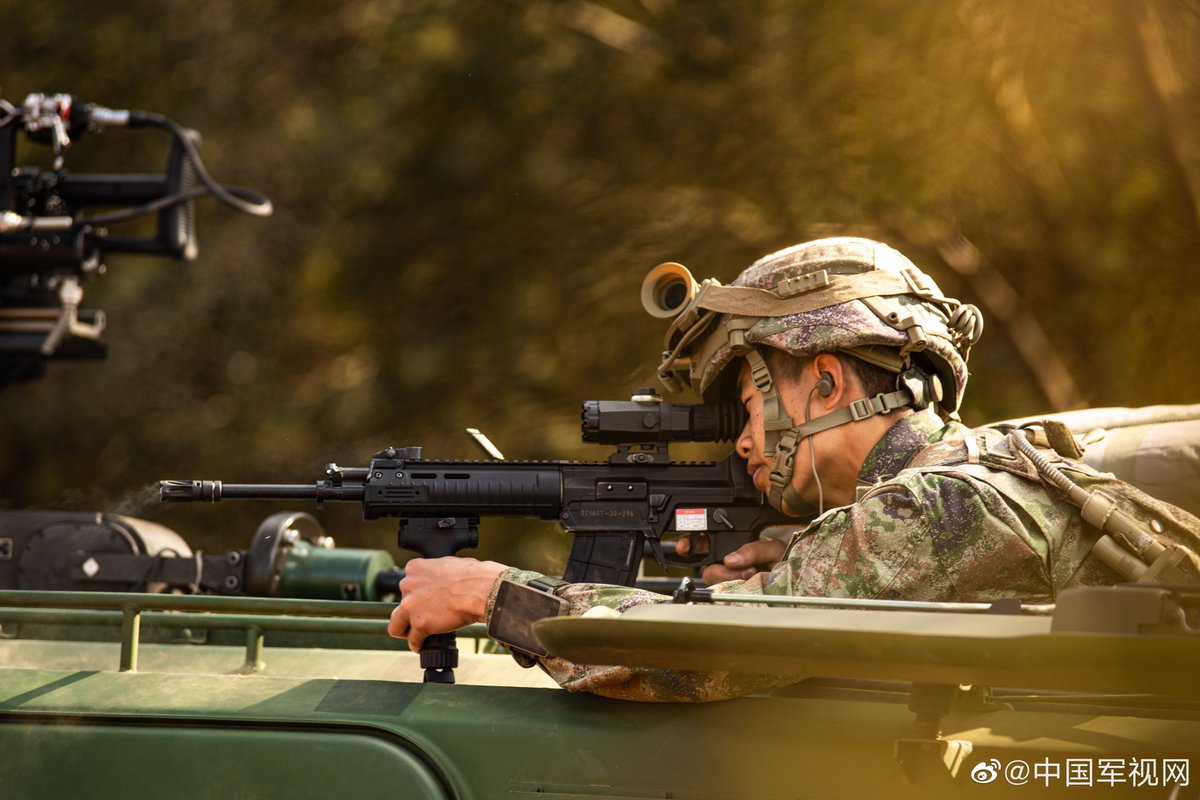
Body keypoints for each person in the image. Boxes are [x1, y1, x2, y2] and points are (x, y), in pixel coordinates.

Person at [388, 236, 1200, 701]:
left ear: (826, 380)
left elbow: (701, 655)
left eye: (747, 406)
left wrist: (490, 593)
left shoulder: (943, 509)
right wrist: (809, 549)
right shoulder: (970, 482)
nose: (741, 443)